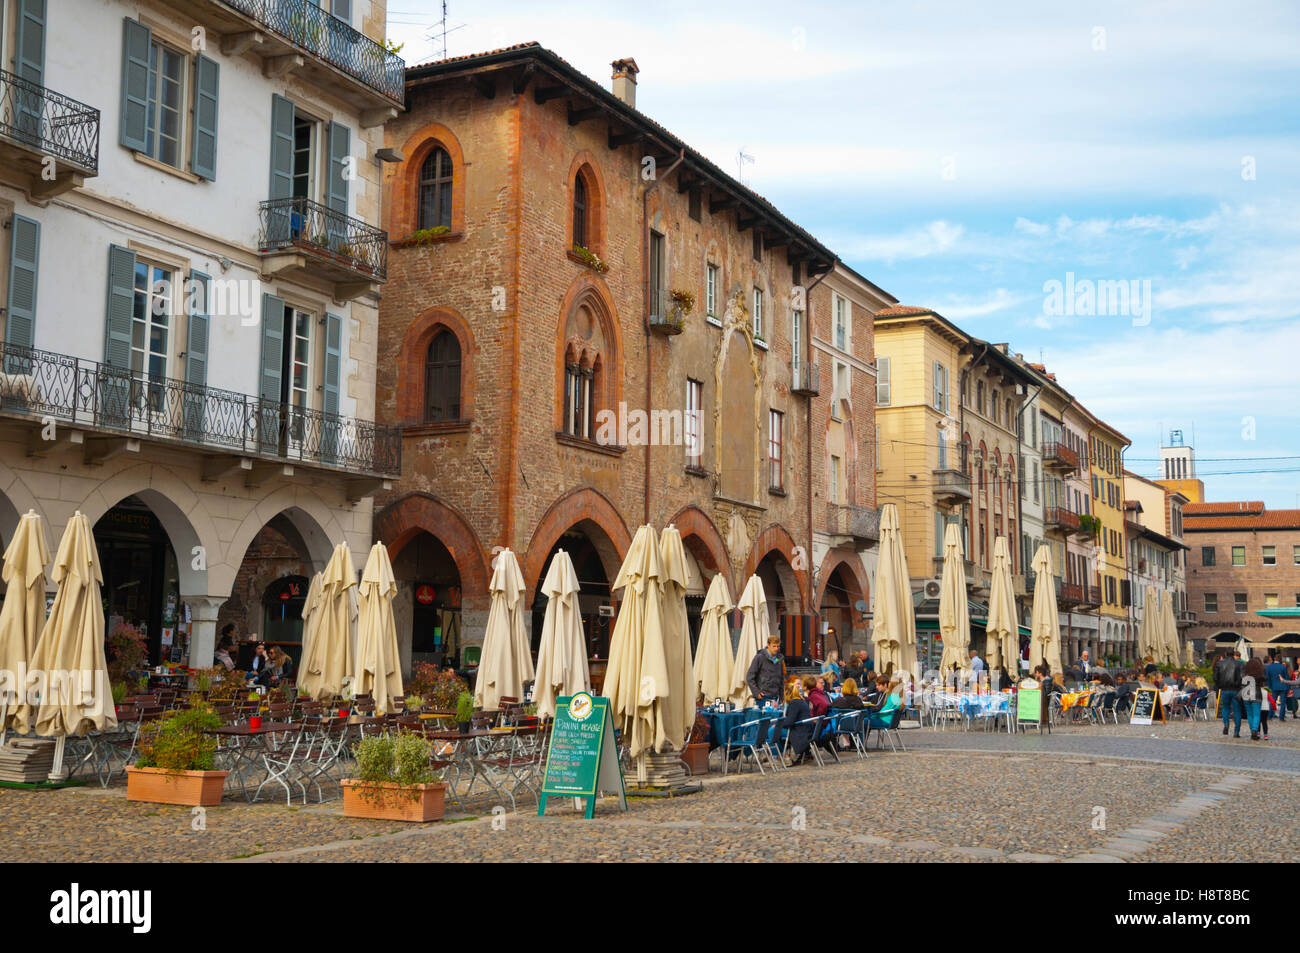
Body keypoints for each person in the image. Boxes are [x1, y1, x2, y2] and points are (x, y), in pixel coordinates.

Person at [779, 678, 815, 765]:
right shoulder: (801, 701)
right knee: (777, 731)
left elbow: (789, 722)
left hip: (800, 732)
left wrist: (778, 725)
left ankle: (783, 757)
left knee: (773, 732)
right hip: (806, 730)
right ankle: (785, 756)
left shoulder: (794, 703)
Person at [745, 635, 786, 707]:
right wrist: (756, 692)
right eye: (774, 646)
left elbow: (781, 679)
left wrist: (782, 696)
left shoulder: (779, 658)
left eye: (778, 646)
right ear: (768, 645)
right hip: (763, 697)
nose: (776, 648)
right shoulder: (759, 657)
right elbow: (749, 677)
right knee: (765, 718)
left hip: (776, 697)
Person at [1212, 650, 1243, 738]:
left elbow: (1215, 677)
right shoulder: (1239, 663)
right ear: (1233, 654)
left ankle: (1226, 723)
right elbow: (1242, 676)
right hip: (1236, 689)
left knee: (1225, 708)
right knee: (1237, 710)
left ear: (1225, 654)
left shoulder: (1220, 664)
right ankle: (1236, 731)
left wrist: (1219, 685)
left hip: (1224, 689)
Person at [1241, 655, 1267, 741]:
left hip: (1246, 694)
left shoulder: (1245, 673)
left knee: (1249, 714)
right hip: (1256, 694)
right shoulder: (1259, 674)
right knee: (1256, 714)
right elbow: (1264, 680)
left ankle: (1252, 729)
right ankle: (1255, 730)